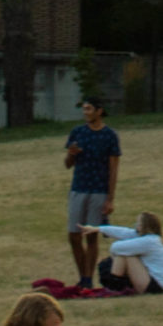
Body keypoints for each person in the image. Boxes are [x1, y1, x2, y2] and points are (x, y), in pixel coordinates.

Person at [61, 98, 120, 286]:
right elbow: (67, 165)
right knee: (74, 235)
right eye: (84, 109)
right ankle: (82, 276)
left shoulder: (109, 135)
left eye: (89, 109)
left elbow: (113, 169)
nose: (85, 112)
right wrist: (71, 154)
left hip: (98, 190)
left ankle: (87, 278)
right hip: (78, 188)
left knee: (92, 236)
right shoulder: (77, 133)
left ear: (99, 111)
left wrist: (110, 198)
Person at [90, 210, 163, 293]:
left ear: (144, 226)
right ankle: (115, 284)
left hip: (158, 287)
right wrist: (99, 229)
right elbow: (123, 232)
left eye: (138, 223)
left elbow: (116, 248)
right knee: (126, 253)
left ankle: (113, 286)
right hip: (160, 285)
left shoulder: (150, 241)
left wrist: (113, 258)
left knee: (126, 256)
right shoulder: (153, 238)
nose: (135, 225)